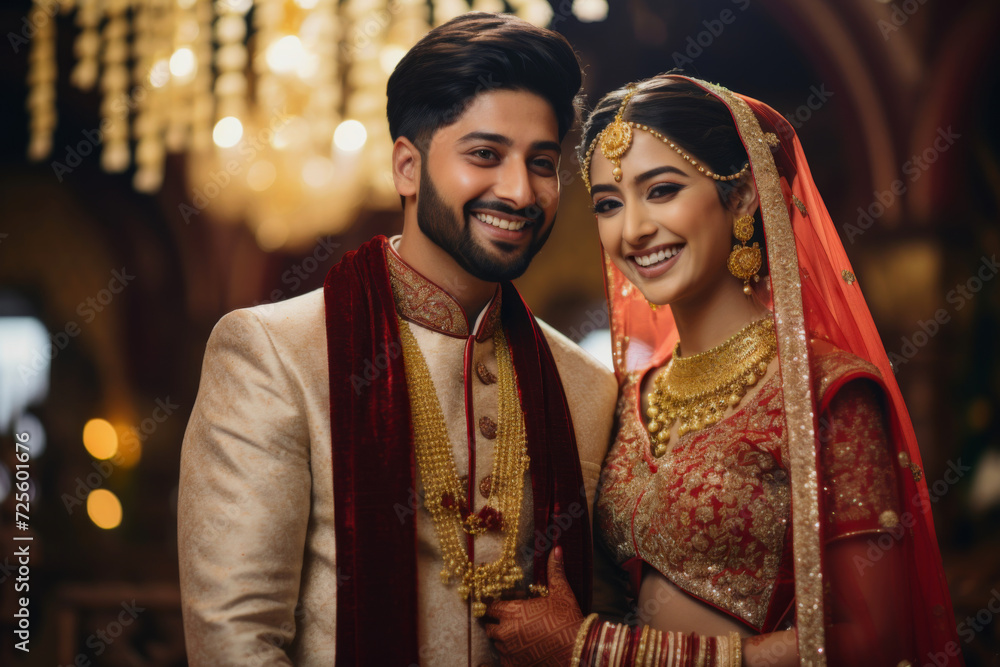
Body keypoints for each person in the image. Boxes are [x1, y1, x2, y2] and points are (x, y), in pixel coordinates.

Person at [177, 12, 618, 667]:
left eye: (543, 163)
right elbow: (236, 642)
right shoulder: (274, 353)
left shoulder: (585, 386)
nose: (520, 190)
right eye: (484, 155)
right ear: (407, 168)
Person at [485, 74, 963, 666]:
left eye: (661, 190)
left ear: (740, 197)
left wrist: (597, 651)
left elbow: (871, 642)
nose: (632, 230)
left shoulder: (823, 391)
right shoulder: (632, 395)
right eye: (609, 203)